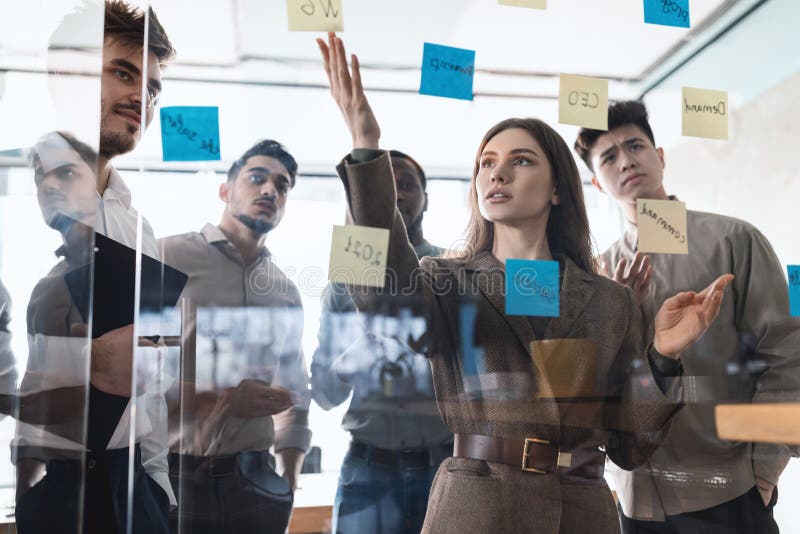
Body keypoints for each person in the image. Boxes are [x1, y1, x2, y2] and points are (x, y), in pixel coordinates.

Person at [315, 33, 736, 534]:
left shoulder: (610, 301)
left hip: (580, 512)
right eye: (486, 164)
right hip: (474, 511)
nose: (497, 174)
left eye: (520, 160)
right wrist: (366, 146)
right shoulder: (446, 283)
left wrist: (664, 353)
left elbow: (631, 445)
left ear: (558, 187)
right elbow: (382, 297)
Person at [574, 100, 800, 534]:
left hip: (727, 489)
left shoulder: (733, 240)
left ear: (660, 157)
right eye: (609, 156)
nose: (627, 161)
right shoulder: (596, 272)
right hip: (633, 498)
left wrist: (766, 468)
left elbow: (786, 354)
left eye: (635, 146)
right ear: (597, 184)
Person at [13, 1, 177, 531]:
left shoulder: (141, 231)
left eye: (152, 89)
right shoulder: (14, 193)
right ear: (68, 74)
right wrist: (84, 364)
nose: (141, 98)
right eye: (123, 73)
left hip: (132, 486)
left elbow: (151, 382)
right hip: (51, 482)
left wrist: (158, 489)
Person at [159, 139, 311, 534]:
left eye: (282, 186)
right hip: (177, 473)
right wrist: (224, 399)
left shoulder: (285, 291)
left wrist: (288, 480)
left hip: (257, 479)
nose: (269, 191)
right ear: (225, 191)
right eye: (257, 178)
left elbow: (296, 393)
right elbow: (128, 378)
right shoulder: (165, 259)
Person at [311, 150, 451, 533]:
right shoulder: (343, 281)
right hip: (368, 469)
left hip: (445, 467)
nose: (394, 195)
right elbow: (323, 394)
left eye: (405, 184)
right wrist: (350, 360)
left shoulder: (451, 269)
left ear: (427, 198)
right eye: (385, 186)